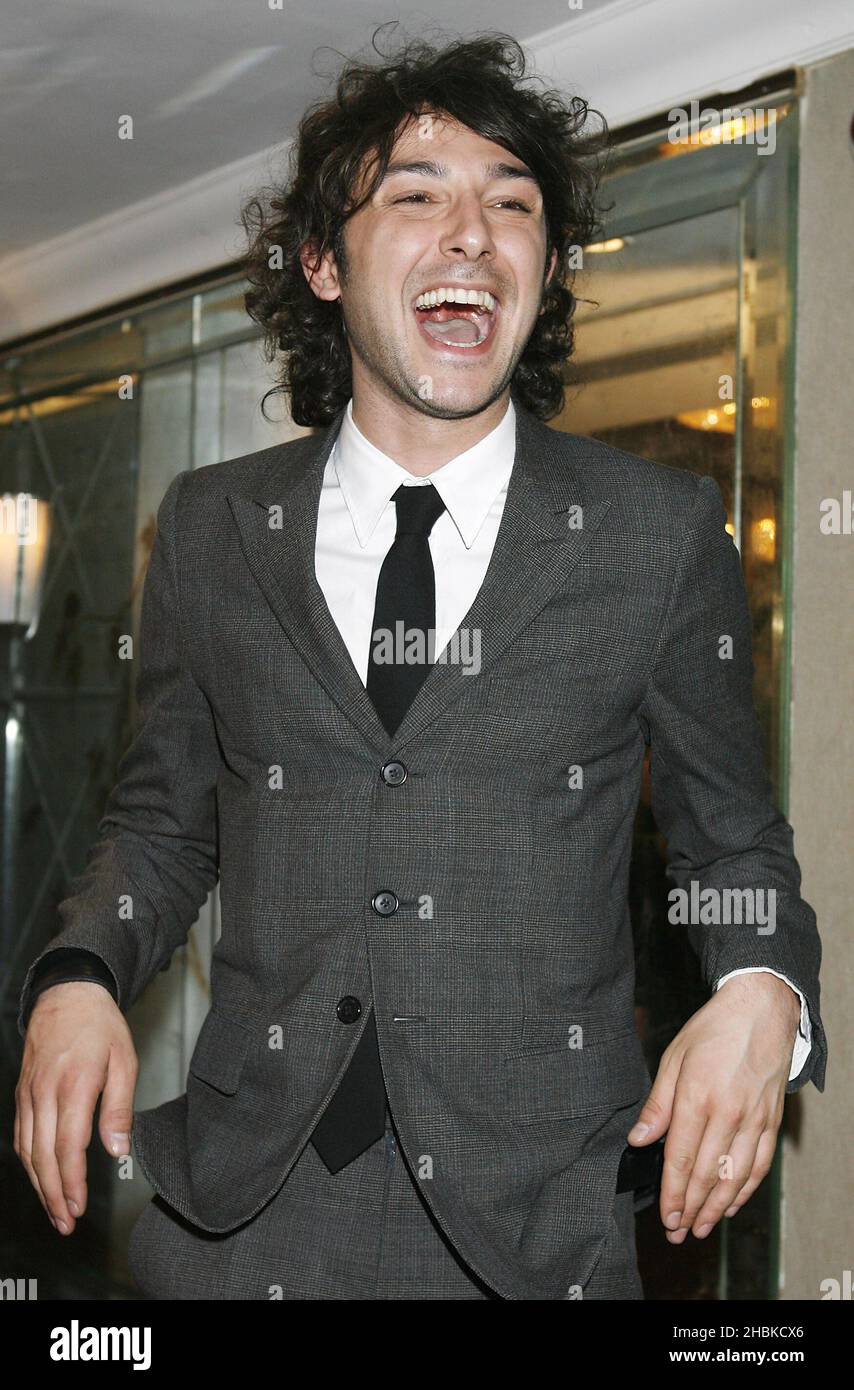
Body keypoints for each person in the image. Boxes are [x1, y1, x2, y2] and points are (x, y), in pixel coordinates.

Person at [14, 29, 825, 1301]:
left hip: (538, 1230)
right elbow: (164, 825)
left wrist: (761, 990)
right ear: (324, 265)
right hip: (236, 1218)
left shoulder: (655, 537)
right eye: (418, 195)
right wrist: (77, 973)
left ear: (543, 268)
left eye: (512, 204)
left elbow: (732, 849)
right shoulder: (215, 529)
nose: (472, 233)